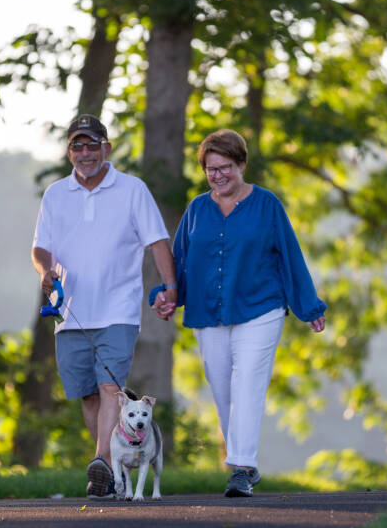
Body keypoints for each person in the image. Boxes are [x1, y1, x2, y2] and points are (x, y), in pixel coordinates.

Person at [153, 129, 326, 498]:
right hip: (208, 313)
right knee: (223, 392)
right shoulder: (197, 210)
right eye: (211, 169)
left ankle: (241, 468)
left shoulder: (267, 205)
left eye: (225, 167)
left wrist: (309, 305)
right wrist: (166, 296)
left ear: (241, 164)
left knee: (248, 382)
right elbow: (181, 262)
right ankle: (245, 462)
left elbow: (290, 256)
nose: (218, 175)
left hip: (260, 308)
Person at [31, 113, 178, 499]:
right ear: (69, 152)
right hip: (70, 312)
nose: (85, 153)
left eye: (92, 145)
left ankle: (101, 462)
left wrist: (171, 287)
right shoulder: (56, 194)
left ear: (106, 148)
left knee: (110, 387)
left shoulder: (132, 189)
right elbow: (40, 247)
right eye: (77, 146)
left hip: (118, 309)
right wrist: (45, 271)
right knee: (88, 394)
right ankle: (113, 473)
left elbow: (157, 241)